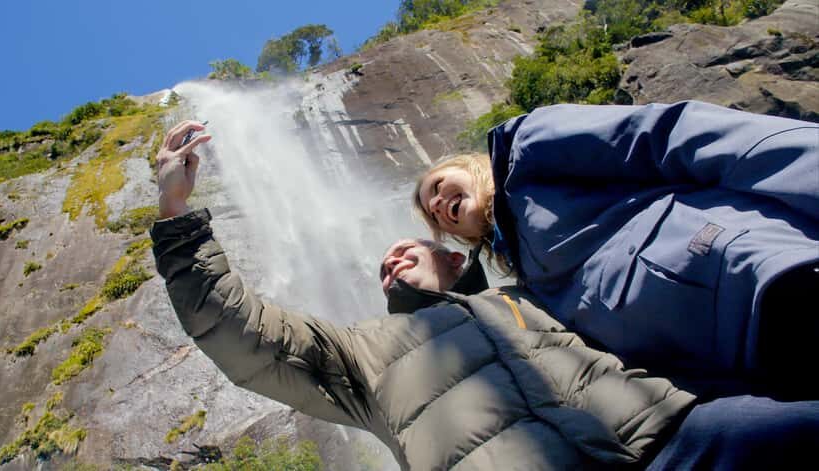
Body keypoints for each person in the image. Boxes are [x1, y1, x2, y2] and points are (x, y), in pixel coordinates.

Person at [152, 120, 819, 470]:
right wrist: (176, 210)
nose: (392, 257)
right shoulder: (360, 352)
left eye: (410, 244)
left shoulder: (532, 295)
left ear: (454, 254)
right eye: (385, 264)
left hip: (673, 438)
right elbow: (244, 336)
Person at [414, 101, 819, 397]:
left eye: (436, 186)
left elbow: (672, 134)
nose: (435, 203)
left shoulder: (528, 148)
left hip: (764, 278)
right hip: (749, 364)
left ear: (467, 166)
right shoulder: (527, 277)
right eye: (433, 215)